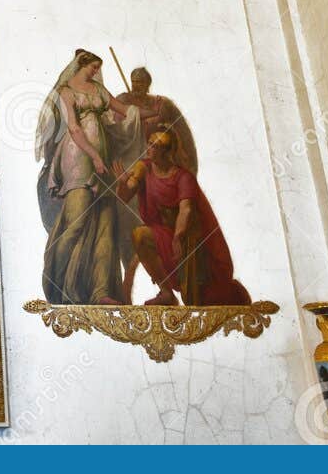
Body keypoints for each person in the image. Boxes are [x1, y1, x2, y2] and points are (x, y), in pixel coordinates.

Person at [36, 49, 141, 304]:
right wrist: (94, 156)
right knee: (75, 224)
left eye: (97, 68)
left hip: (101, 159)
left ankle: (101, 291)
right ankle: (56, 287)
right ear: (81, 64)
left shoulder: (99, 91)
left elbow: (125, 110)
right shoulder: (66, 91)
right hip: (78, 158)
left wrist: (145, 111)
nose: (96, 72)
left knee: (106, 223)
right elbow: (73, 128)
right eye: (93, 67)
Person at [118, 131, 250, 306]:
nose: (149, 148)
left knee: (196, 300)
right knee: (140, 235)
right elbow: (124, 196)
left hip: (188, 238)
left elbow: (185, 210)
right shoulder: (144, 167)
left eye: (155, 146)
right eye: (149, 143)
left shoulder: (183, 177)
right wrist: (122, 182)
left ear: (166, 152)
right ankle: (166, 293)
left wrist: (178, 236)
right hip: (161, 233)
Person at [115, 67, 197, 172]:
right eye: (134, 82)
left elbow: (181, 132)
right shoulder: (123, 100)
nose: (136, 86)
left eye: (140, 82)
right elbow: (116, 127)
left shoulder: (163, 104)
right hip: (132, 157)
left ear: (148, 84)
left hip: (159, 157)